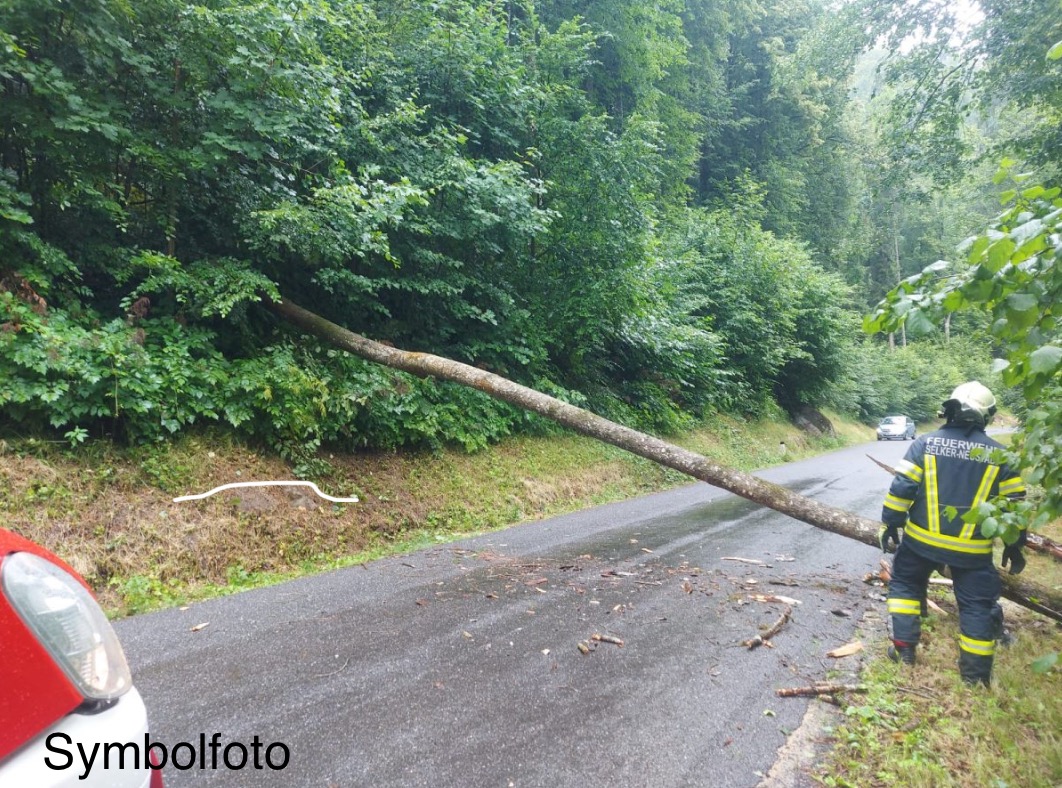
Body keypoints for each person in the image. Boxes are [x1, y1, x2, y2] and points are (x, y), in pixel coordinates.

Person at [878, 381, 1027, 686]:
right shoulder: (1002, 457)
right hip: (972, 552)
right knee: (977, 606)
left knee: (905, 585)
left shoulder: (924, 444)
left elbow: (902, 488)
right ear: (988, 415)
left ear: (950, 409)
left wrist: (890, 523)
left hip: (919, 544)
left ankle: (904, 652)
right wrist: (1015, 545)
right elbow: (1014, 508)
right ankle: (975, 678)